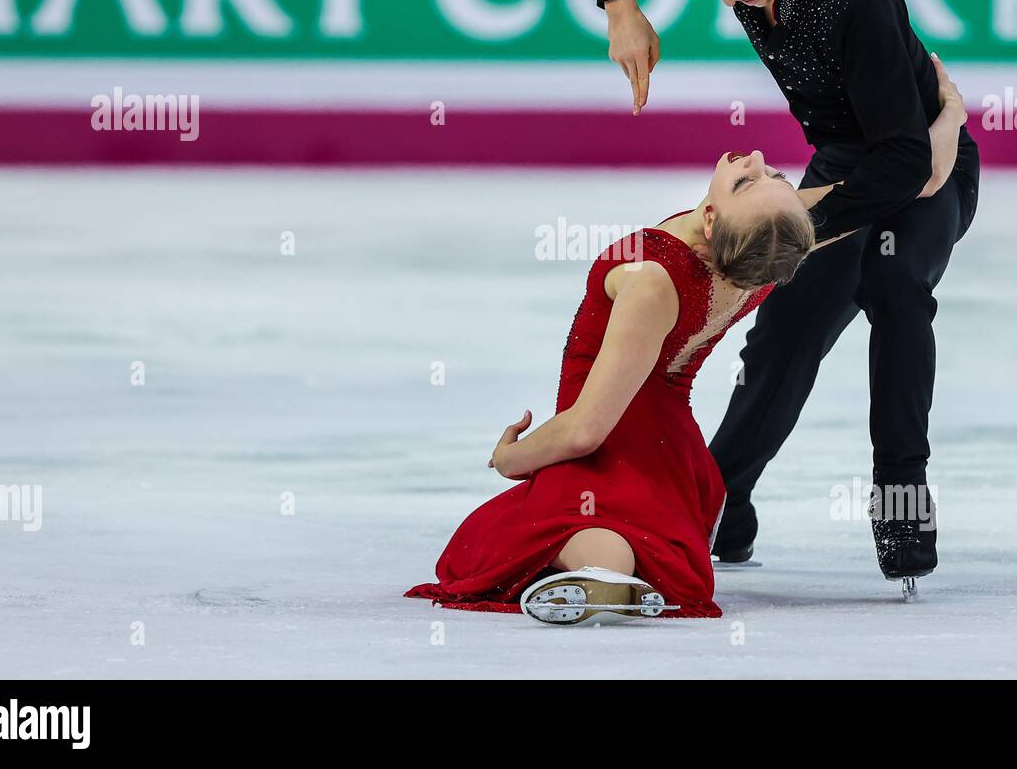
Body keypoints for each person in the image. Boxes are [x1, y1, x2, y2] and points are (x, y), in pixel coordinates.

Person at [405, 61, 968, 623]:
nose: (753, 160)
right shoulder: (773, 251)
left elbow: (585, 429)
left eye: (752, 180)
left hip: (614, 440)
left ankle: (604, 577)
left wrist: (511, 458)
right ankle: (616, 573)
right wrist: (951, 116)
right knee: (626, 524)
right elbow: (917, 179)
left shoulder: (654, 277)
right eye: (770, 175)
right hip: (675, 458)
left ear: (708, 217)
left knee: (550, 529)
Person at [570, 0, 981, 585]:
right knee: (790, 323)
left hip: (919, 170)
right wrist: (619, 5)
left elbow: (904, 162)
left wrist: (798, 219)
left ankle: (901, 496)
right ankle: (725, 496)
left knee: (894, 285)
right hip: (849, 165)